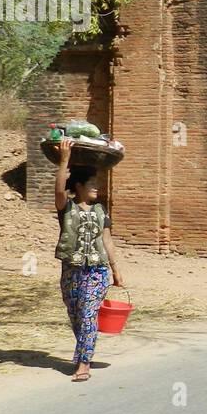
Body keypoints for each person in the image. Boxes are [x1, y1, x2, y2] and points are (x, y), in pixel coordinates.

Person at [54, 139, 125, 382]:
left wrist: (115, 269)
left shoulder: (101, 211)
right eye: (92, 184)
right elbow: (59, 191)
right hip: (71, 271)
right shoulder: (67, 208)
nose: (96, 188)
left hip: (96, 271)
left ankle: (83, 363)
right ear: (80, 186)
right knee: (75, 314)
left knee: (87, 315)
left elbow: (107, 240)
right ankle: (85, 349)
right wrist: (64, 160)